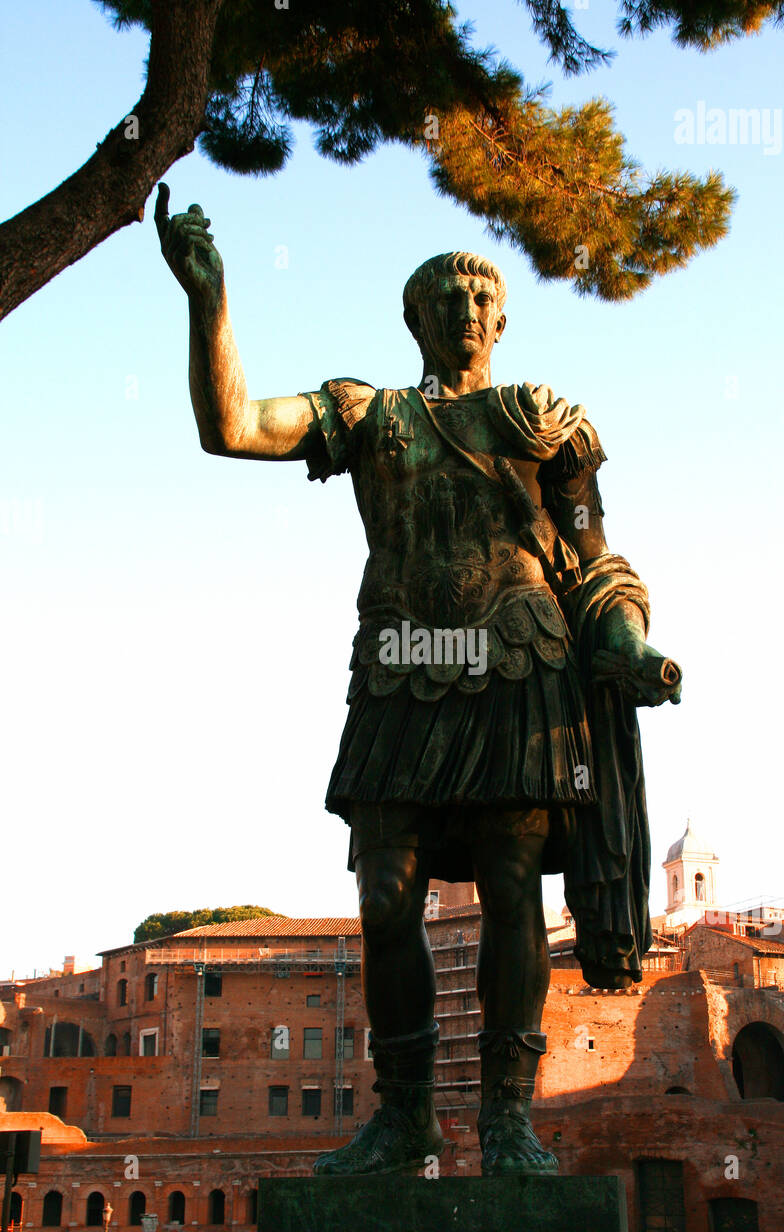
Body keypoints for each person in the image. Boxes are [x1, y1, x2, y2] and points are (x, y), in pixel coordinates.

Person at [156, 187, 682, 1176]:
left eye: (482, 300)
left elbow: (590, 552)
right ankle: (401, 1119)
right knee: (386, 896)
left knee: (512, 892)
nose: (467, 314)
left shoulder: (546, 424)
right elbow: (229, 425)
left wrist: (626, 638)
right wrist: (209, 298)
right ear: (414, 319)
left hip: (521, 668)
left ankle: (508, 1121)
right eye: (446, 299)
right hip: (402, 668)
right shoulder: (368, 414)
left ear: (502, 320)